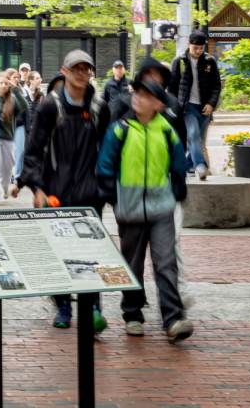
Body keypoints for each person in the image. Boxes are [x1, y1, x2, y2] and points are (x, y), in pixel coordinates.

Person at [96, 77, 192, 341]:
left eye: (146, 95)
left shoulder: (166, 131)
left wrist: (177, 189)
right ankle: (133, 314)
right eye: (136, 93)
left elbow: (179, 165)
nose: (138, 97)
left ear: (159, 104)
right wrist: (113, 198)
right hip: (129, 209)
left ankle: (173, 319)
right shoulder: (119, 130)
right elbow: (105, 165)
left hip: (161, 209)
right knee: (132, 265)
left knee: (165, 263)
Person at [21, 49, 109, 333]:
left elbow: (107, 150)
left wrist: (104, 187)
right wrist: (36, 187)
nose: (82, 73)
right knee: (60, 251)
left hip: (89, 194)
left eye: (86, 68)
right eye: (76, 68)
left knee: (91, 252)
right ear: (65, 70)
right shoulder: (50, 106)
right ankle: (63, 305)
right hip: (56, 192)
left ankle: (93, 307)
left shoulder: (98, 107)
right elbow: (33, 151)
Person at [169, 31, 222, 180]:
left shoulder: (209, 61)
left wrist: (211, 104)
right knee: (192, 135)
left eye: (201, 48)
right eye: (195, 48)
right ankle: (200, 165)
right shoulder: (179, 61)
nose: (198, 51)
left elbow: (216, 86)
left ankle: (188, 165)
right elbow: (172, 87)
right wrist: (175, 107)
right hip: (187, 107)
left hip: (205, 107)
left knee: (199, 138)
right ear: (188, 45)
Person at [0, 72, 28, 206]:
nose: (4, 85)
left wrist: (15, 88)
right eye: (1, 83)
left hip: (9, 138)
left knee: (7, 167)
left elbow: (25, 105)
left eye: (6, 83)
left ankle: (4, 187)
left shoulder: (13, 99)